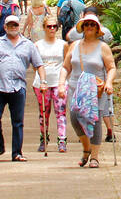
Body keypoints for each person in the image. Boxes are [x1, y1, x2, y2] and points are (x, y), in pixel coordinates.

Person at [0, 14, 43, 162]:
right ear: (5, 27)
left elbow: (38, 64)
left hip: (18, 87)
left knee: (17, 121)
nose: (13, 28)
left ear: (19, 26)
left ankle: (17, 152)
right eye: (10, 25)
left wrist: (43, 81)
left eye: (15, 25)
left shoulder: (28, 45)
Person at [61, 14, 115, 167]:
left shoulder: (103, 47)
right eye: (86, 25)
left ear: (97, 28)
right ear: (82, 28)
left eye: (92, 24)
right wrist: (60, 84)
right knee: (75, 117)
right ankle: (86, 148)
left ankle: (94, 157)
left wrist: (109, 82)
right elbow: (66, 67)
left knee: (95, 119)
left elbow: (111, 68)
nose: (89, 27)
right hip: (75, 88)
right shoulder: (75, 46)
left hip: (96, 89)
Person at [33, 16, 68, 154]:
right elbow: (35, 65)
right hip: (42, 84)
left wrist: (62, 82)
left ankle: (62, 140)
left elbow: (66, 64)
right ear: (44, 28)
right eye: (49, 26)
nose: (52, 29)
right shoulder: (37, 45)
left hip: (59, 82)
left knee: (61, 113)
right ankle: (44, 139)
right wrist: (42, 80)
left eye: (55, 26)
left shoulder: (63, 44)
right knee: (43, 113)